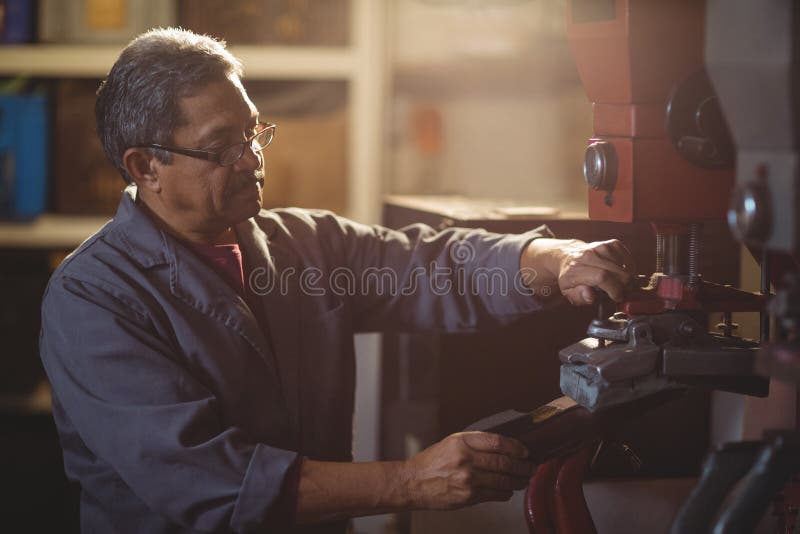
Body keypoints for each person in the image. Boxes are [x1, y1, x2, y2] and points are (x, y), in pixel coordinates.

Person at [39, 28, 632, 534]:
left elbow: (432, 267)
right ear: (147, 167)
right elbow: (207, 481)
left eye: (252, 132)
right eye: (222, 146)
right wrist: (408, 481)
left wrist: (554, 258)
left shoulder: (304, 244)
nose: (252, 159)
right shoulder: (93, 299)